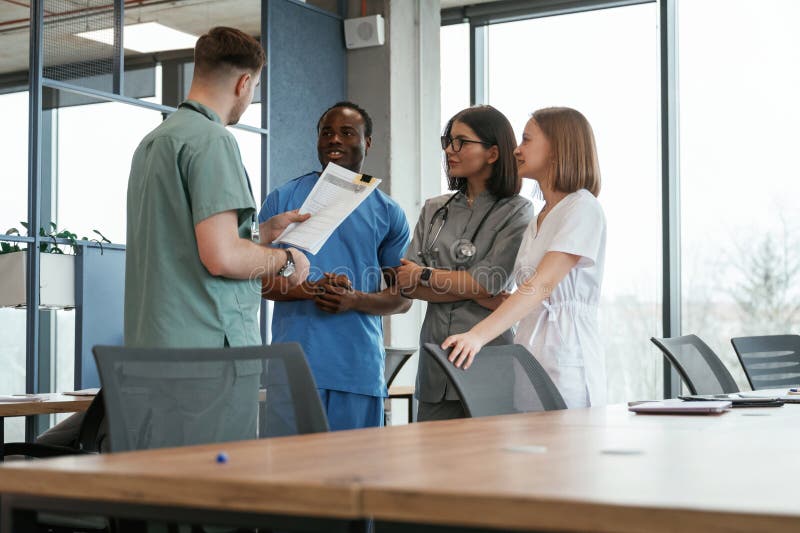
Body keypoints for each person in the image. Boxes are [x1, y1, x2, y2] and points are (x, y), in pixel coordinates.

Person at [35, 27, 310, 450]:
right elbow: (220, 256)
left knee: (161, 493)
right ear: (243, 83)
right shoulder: (214, 141)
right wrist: (285, 259)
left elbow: (183, 241)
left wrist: (262, 235)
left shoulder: (155, 143)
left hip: (154, 357)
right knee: (211, 499)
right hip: (206, 365)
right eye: (253, 88)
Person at [259, 101, 411, 431]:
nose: (335, 140)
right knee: (289, 479)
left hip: (357, 371)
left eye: (347, 132)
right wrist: (307, 291)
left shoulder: (388, 213)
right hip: (294, 369)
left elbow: (403, 298)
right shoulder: (283, 200)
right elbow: (254, 280)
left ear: (367, 141)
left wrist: (354, 300)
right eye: (326, 132)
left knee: (356, 475)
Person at [442, 107, 607, 408]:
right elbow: (535, 292)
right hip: (531, 354)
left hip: (566, 356)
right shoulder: (541, 215)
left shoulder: (582, 208)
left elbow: (542, 285)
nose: (516, 150)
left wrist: (477, 336)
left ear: (557, 148)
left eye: (527, 140)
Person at [395, 105, 533, 421]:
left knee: (485, 467)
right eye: (447, 141)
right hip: (435, 364)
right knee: (432, 466)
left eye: (460, 142)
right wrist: (475, 290)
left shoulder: (517, 211)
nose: (449, 150)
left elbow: (489, 281)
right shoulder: (434, 209)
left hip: (487, 361)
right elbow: (406, 281)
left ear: (493, 153)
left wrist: (426, 274)